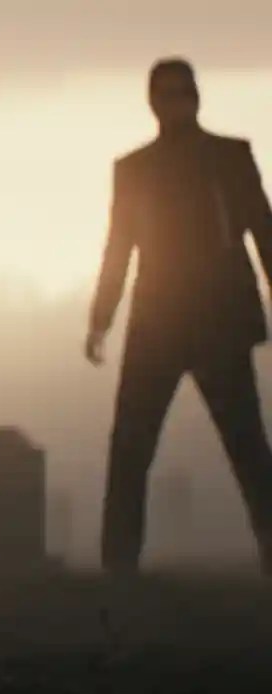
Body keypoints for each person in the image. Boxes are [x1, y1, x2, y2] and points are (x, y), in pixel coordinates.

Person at [86, 57, 272, 576]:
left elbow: (262, 226)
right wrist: (101, 318)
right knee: (132, 449)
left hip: (212, 323)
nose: (174, 104)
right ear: (154, 102)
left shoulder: (229, 157)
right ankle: (118, 569)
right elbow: (119, 247)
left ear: (194, 97)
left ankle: (119, 571)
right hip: (165, 324)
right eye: (167, 94)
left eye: (180, 93)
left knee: (247, 449)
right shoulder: (137, 169)